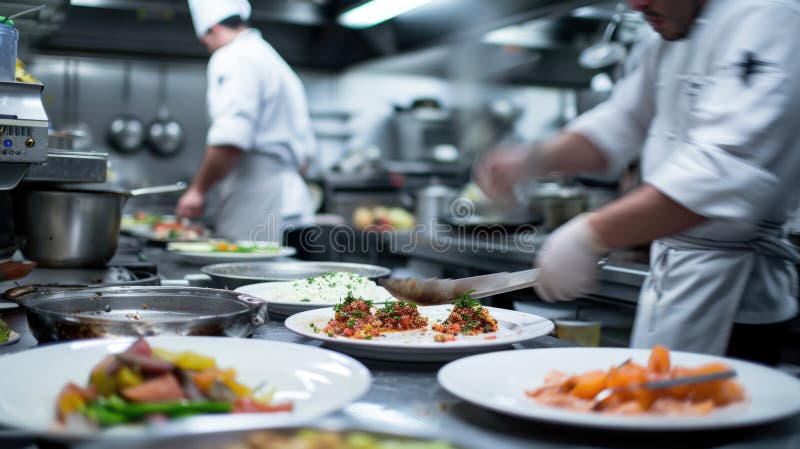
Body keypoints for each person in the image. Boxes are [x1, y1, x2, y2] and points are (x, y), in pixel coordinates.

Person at [475, 0, 800, 361]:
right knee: (653, 390)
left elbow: (725, 171)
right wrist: (534, 158)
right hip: (672, 280)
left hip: (736, 303)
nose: (636, 4)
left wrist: (591, 235)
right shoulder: (667, 28)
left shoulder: (767, 15)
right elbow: (623, 120)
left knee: (705, 396)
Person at [178, 0, 315, 242]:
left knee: (245, 264)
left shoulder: (234, 56)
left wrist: (197, 191)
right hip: (294, 205)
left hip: (256, 200)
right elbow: (307, 157)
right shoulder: (274, 61)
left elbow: (231, 139)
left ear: (215, 29)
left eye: (205, 41)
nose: (208, 48)